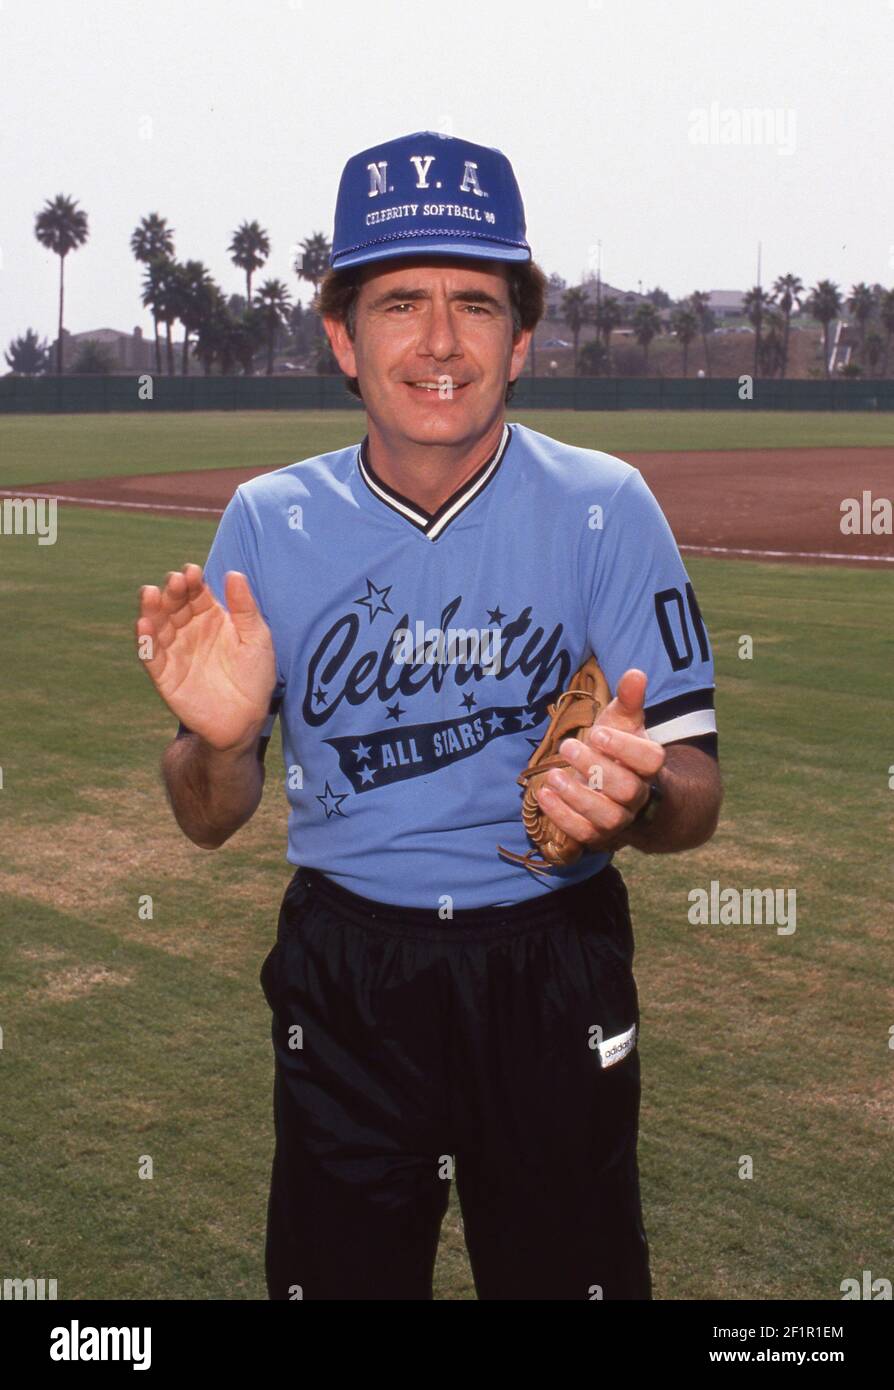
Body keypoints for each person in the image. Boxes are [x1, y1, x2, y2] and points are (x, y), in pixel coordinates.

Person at [136, 130, 722, 1301]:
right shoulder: (265, 521)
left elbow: (698, 790)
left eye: (477, 302)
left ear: (522, 336)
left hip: (552, 958)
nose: (441, 341)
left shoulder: (607, 506)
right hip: (348, 973)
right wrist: (218, 740)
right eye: (401, 301)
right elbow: (209, 821)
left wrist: (638, 792)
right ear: (344, 337)